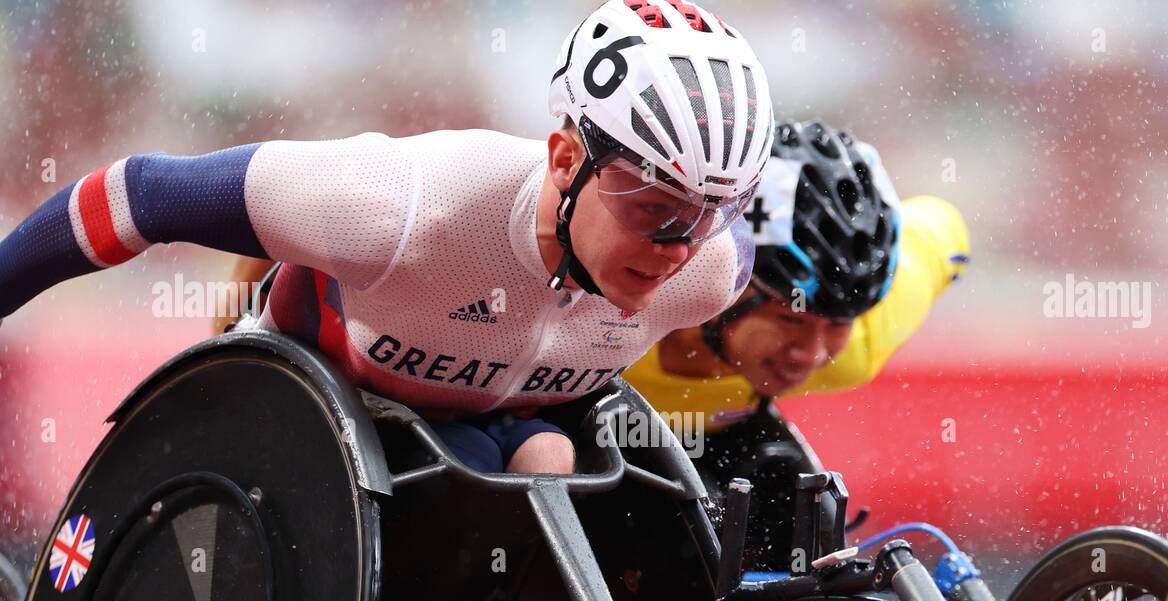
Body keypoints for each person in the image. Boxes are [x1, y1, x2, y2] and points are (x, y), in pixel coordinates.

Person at [0, 0, 773, 476]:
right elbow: (139, 194)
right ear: (567, 159)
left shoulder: (709, 269)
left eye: (711, 213)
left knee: (554, 462)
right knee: (509, 466)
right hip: (316, 423)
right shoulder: (399, 204)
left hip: (511, 448)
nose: (678, 243)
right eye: (652, 205)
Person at [625, 118, 968, 434]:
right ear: (725, 277)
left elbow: (945, 227)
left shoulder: (861, 343)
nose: (811, 355)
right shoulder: (618, 295)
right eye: (790, 319)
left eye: (838, 324)